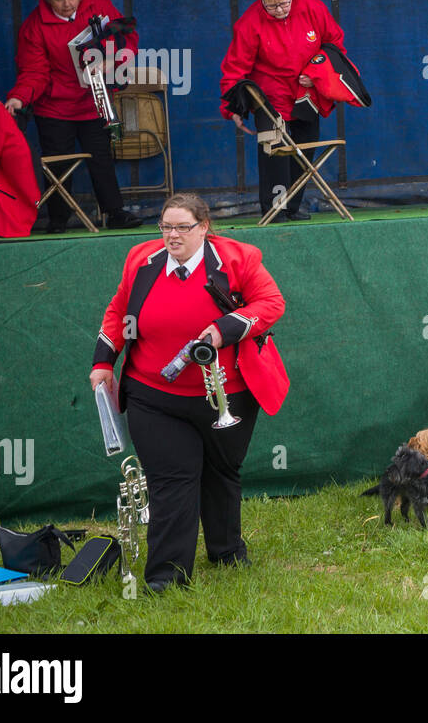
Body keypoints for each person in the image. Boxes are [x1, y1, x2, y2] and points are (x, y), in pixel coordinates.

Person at [90, 193, 288, 592]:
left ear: (205, 227)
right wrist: (102, 362)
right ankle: (167, 577)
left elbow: (271, 303)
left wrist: (225, 328)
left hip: (226, 393)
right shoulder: (141, 260)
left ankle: (226, 551)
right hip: (153, 395)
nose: (172, 235)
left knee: (222, 472)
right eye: (166, 226)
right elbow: (119, 311)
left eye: (183, 227)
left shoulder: (238, 258)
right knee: (173, 481)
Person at [4, 0, 142, 233]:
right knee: (58, 162)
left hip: (94, 101)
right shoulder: (34, 26)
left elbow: (127, 40)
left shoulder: (100, 6)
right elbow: (34, 72)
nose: (67, 3)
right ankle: (58, 219)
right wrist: (19, 98)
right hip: (55, 107)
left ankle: (115, 213)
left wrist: (112, 62)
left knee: (101, 158)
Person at [220, 0, 347, 221]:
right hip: (269, 98)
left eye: (284, 3)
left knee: (302, 152)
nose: (280, 10)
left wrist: (317, 74)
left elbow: (334, 45)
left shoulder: (313, 8)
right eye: (272, 5)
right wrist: (232, 107)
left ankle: (293, 206)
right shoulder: (249, 23)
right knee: (274, 154)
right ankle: (275, 210)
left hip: (306, 92)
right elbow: (235, 67)